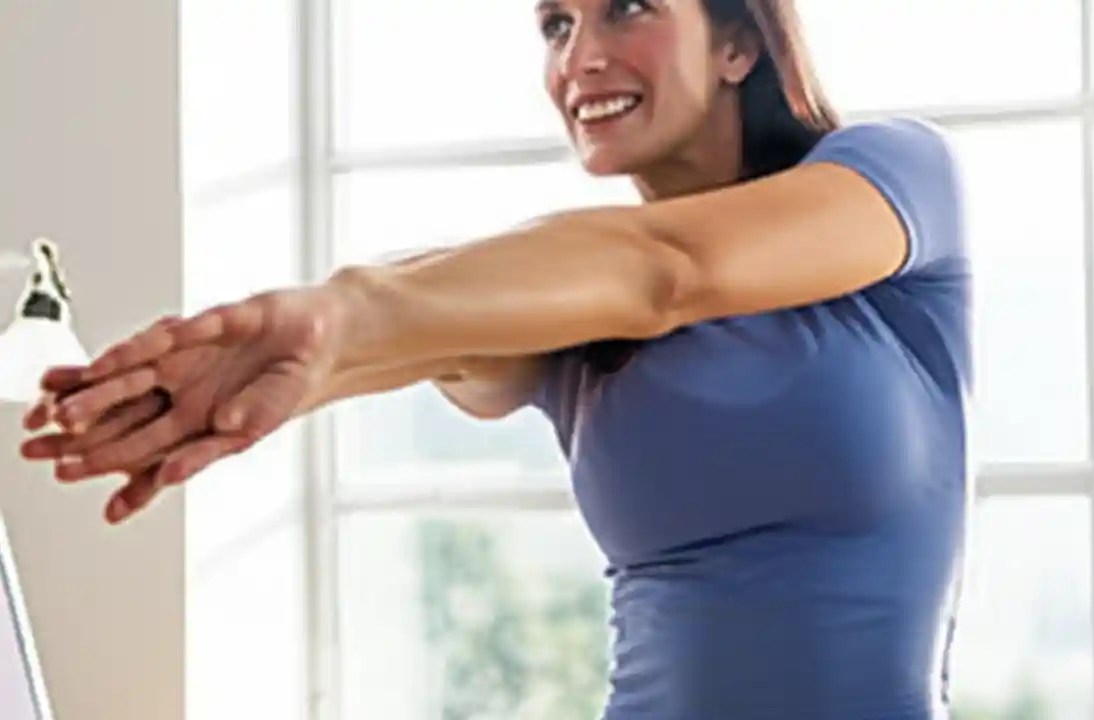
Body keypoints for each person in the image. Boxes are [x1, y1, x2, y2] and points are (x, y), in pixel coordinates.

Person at [19, 0, 972, 717]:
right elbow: (431, 326)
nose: (582, 57)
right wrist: (285, 356)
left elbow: (670, 268)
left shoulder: (890, 180)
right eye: (556, 23)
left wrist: (349, 310)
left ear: (739, 42)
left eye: (628, 7)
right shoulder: (573, 312)